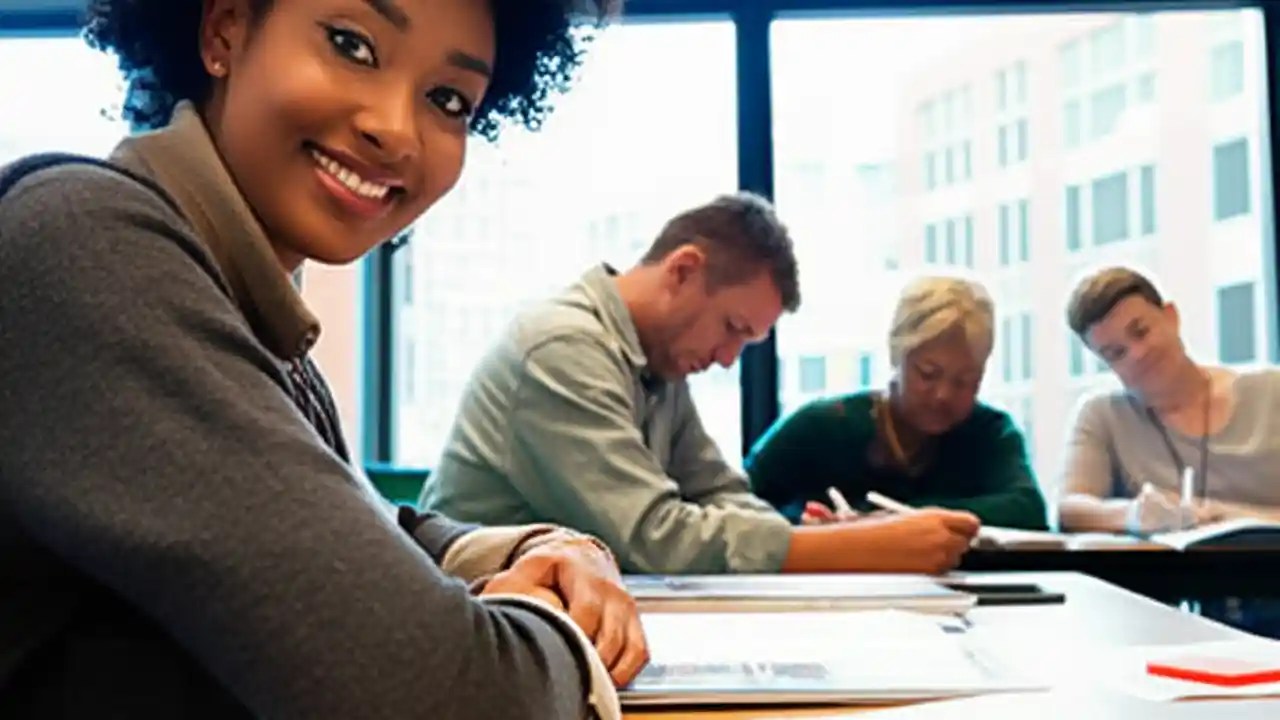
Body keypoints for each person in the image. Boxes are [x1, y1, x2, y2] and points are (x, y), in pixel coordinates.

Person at [0, 0, 649, 717]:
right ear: (224, 30)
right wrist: (561, 632)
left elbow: (362, 528)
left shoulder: (248, 310)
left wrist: (546, 550)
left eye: (447, 99)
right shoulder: (86, 249)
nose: (395, 128)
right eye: (352, 45)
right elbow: (454, 697)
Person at [419, 193, 981, 576]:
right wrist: (854, 550)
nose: (728, 359)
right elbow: (654, 539)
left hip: (564, 609)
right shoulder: (562, 349)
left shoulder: (658, 362)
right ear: (683, 271)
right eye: (733, 329)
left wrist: (825, 541)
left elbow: (717, 491)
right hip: (482, 623)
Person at [745, 276, 1048, 530]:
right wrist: (801, 524)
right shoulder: (822, 426)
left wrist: (902, 518)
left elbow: (1028, 510)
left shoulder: (989, 433)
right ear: (896, 354)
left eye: (964, 381)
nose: (943, 394)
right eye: (928, 374)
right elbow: (737, 506)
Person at [1058, 266, 1280, 535]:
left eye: (1141, 332)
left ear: (1171, 317)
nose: (1137, 354)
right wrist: (1132, 515)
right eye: (1116, 353)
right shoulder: (1103, 415)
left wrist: (1221, 515)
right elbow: (1069, 509)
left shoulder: (1271, 391)